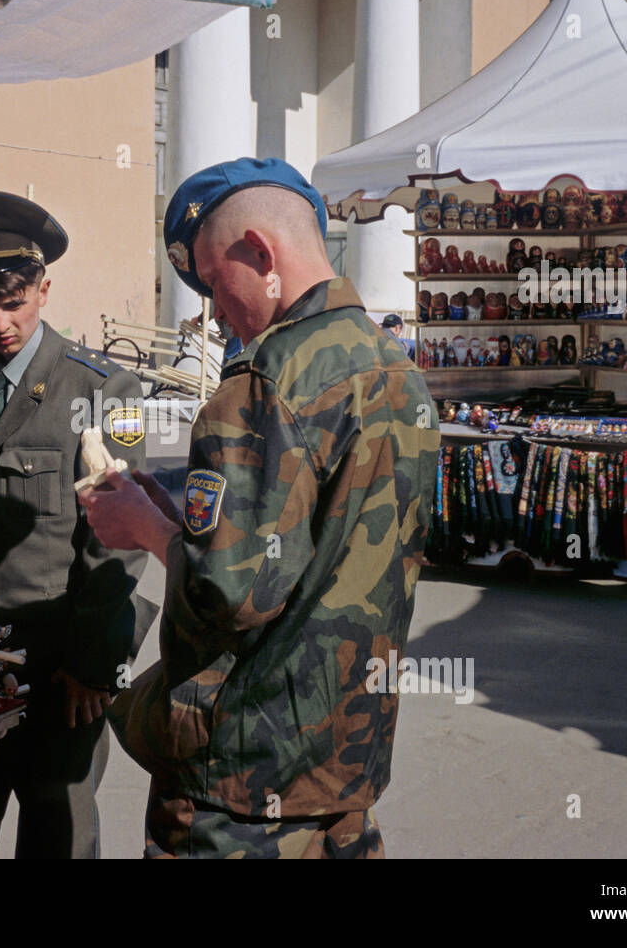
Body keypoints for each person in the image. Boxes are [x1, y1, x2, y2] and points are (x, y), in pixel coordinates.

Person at [79, 157, 441, 859]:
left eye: (215, 281)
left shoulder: (263, 384)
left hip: (243, 786)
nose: (214, 310)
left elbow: (230, 592)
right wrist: (176, 513)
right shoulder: (398, 370)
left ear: (261, 252)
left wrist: (146, 530)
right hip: (348, 766)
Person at [0, 191, 148, 859]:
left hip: (57, 672)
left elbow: (117, 545)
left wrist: (93, 664)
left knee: (56, 832)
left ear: (44, 289)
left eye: (13, 304)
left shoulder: (103, 391)